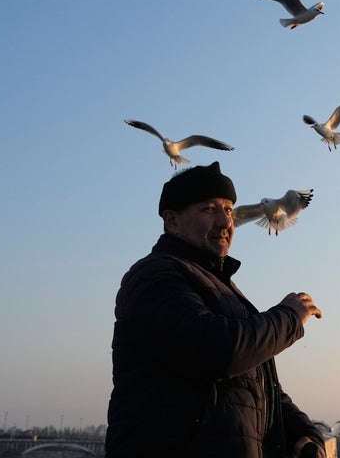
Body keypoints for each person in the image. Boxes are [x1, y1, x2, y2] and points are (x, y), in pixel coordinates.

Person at [106, 161, 325, 458]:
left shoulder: (223, 287)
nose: (225, 222)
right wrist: (288, 317)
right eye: (210, 209)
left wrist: (303, 433)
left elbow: (256, 384)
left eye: (229, 210)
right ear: (172, 221)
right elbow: (219, 350)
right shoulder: (154, 277)